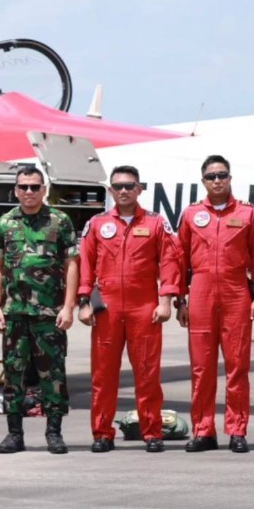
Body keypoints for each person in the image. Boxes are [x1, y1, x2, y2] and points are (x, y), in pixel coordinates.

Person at [78, 165, 182, 453]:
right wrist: (84, 302)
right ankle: (102, 433)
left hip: (143, 307)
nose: (123, 191)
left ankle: (152, 433)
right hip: (106, 308)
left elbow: (170, 262)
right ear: (110, 190)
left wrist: (165, 300)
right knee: (103, 375)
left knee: (147, 374)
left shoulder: (156, 223)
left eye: (129, 186)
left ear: (139, 189)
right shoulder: (97, 224)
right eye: (118, 186)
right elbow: (85, 264)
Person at [176, 155, 254, 453]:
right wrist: (180, 299)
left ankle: (237, 430)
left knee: (237, 366)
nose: (217, 181)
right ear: (203, 181)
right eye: (211, 176)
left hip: (235, 292)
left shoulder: (247, 213)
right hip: (201, 291)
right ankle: (203, 430)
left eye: (222, 175)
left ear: (230, 178)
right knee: (201, 368)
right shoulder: (190, 215)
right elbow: (178, 258)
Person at [0, 166, 78, 454]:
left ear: (45, 189)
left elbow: (71, 265)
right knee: (13, 375)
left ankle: (54, 433)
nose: (29, 192)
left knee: (52, 376)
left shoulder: (60, 221)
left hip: (49, 314)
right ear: (15, 190)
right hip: (15, 313)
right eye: (24, 187)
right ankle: (14, 434)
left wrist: (68, 306)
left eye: (35, 187)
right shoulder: (5, 222)